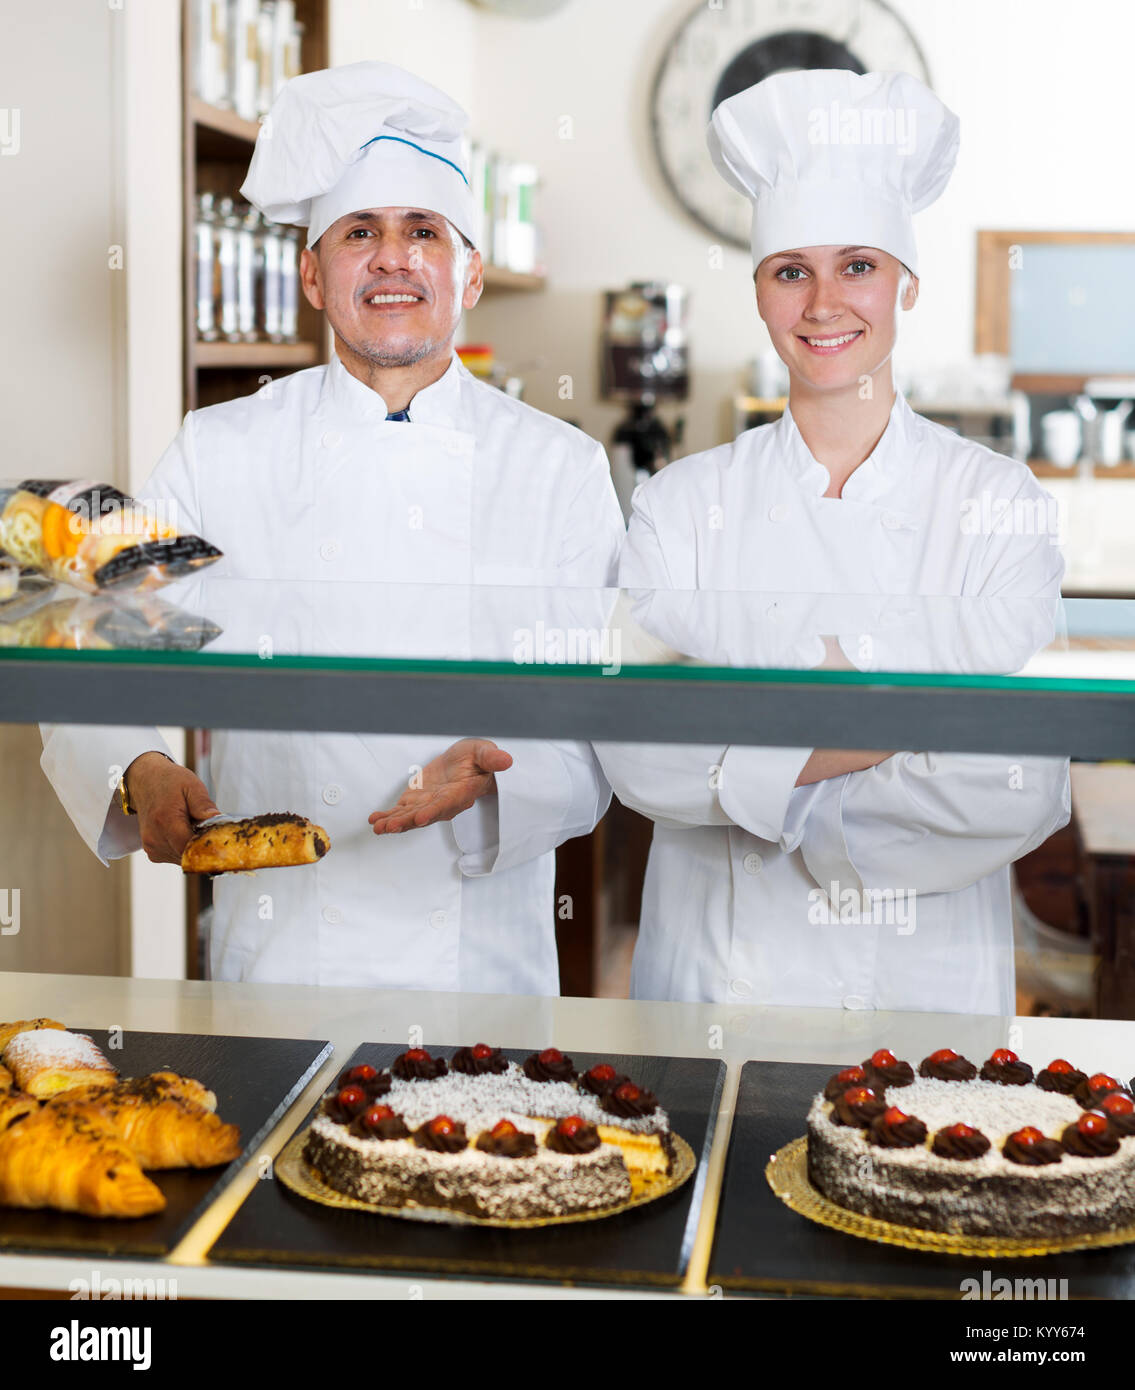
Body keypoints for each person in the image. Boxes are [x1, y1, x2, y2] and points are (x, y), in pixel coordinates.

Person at [41, 61, 624, 994]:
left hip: (481, 961)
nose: (393, 258)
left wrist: (505, 780)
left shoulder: (558, 466)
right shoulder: (217, 447)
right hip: (279, 956)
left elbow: (606, 717)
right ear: (313, 274)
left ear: (467, 272)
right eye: (360, 233)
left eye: (422, 231)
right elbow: (82, 629)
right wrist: (139, 763)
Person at [594, 69, 1070, 1014]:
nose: (822, 303)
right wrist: (892, 723)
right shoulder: (680, 504)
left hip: (920, 1000)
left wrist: (751, 775)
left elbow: (1015, 788)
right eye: (789, 271)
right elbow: (636, 758)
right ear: (761, 293)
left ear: (905, 284)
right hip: (710, 989)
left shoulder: (993, 500)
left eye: (857, 265)